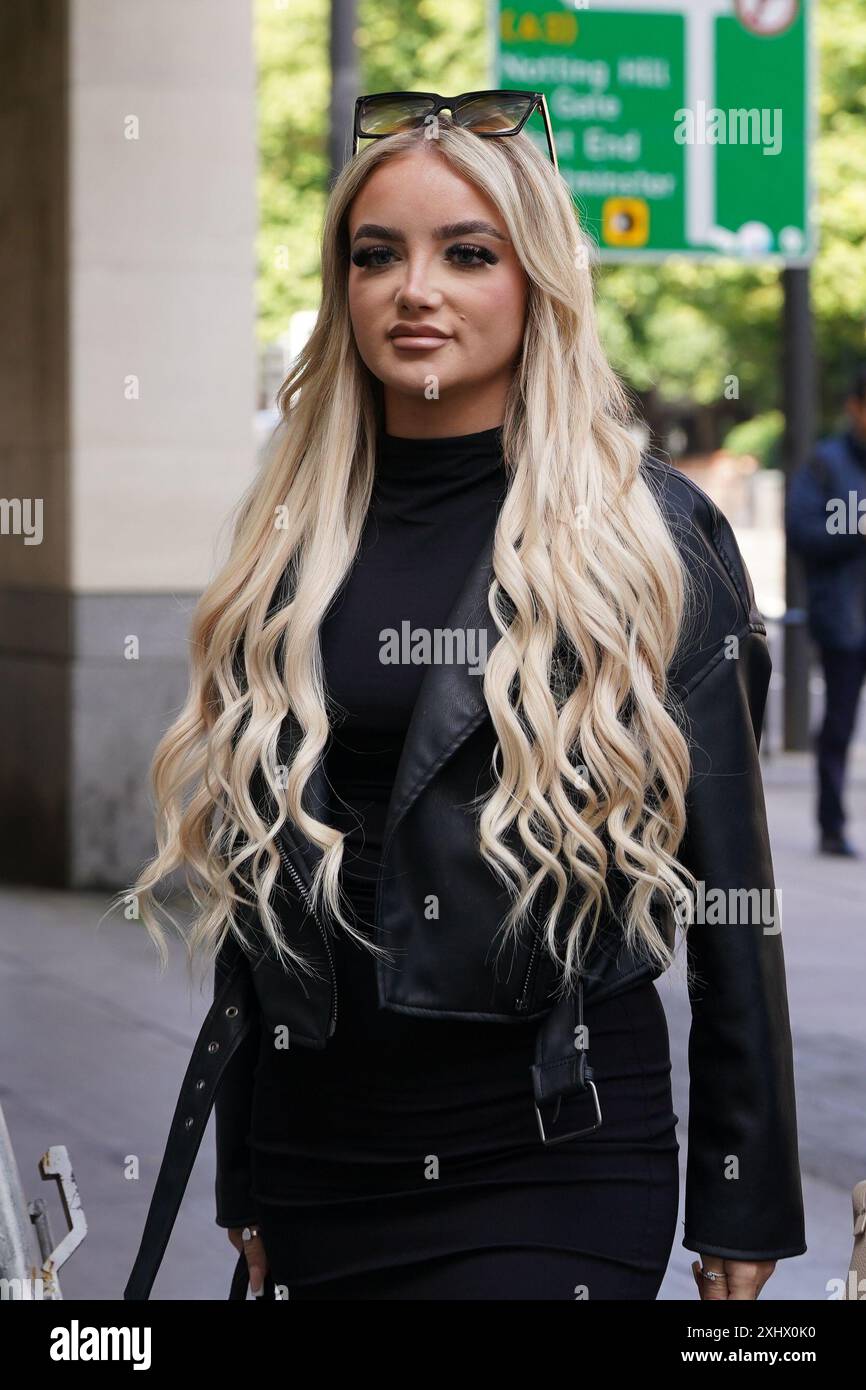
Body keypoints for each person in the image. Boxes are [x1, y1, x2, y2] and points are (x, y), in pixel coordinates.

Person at [123, 92, 805, 1303]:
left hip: (555, 1141)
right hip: (324, 1148)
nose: (413, 289)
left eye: (466, 253)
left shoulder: (644, 536)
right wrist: (245, 1169)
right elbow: (262, 888)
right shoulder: (293, 533)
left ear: (536, 281)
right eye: (375, 255)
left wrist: (743, 1187)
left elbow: (728, 893)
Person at [786, 366, 866, 857]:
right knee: (839, 725)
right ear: (855, 407)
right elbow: (803, 533)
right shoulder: (825, 465)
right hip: (844, 620)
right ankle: (832, 825)